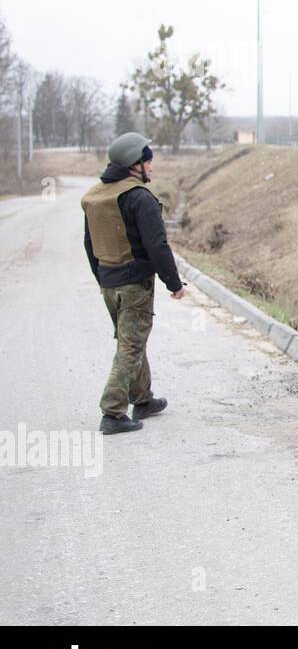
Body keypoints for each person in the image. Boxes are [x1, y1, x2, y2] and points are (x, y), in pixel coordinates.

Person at [81, 132, 185, 435]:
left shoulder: (97, 196)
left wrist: (100, 279)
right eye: (149, 163)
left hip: (110, 283)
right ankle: (113, 412)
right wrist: (173, 283)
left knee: (132, 340)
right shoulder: (139, 197)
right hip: (135, 285)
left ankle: (143, 400)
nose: (152, 168)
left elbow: (89, 243)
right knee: (130, 346)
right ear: (134, 164)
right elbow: (157, 246)